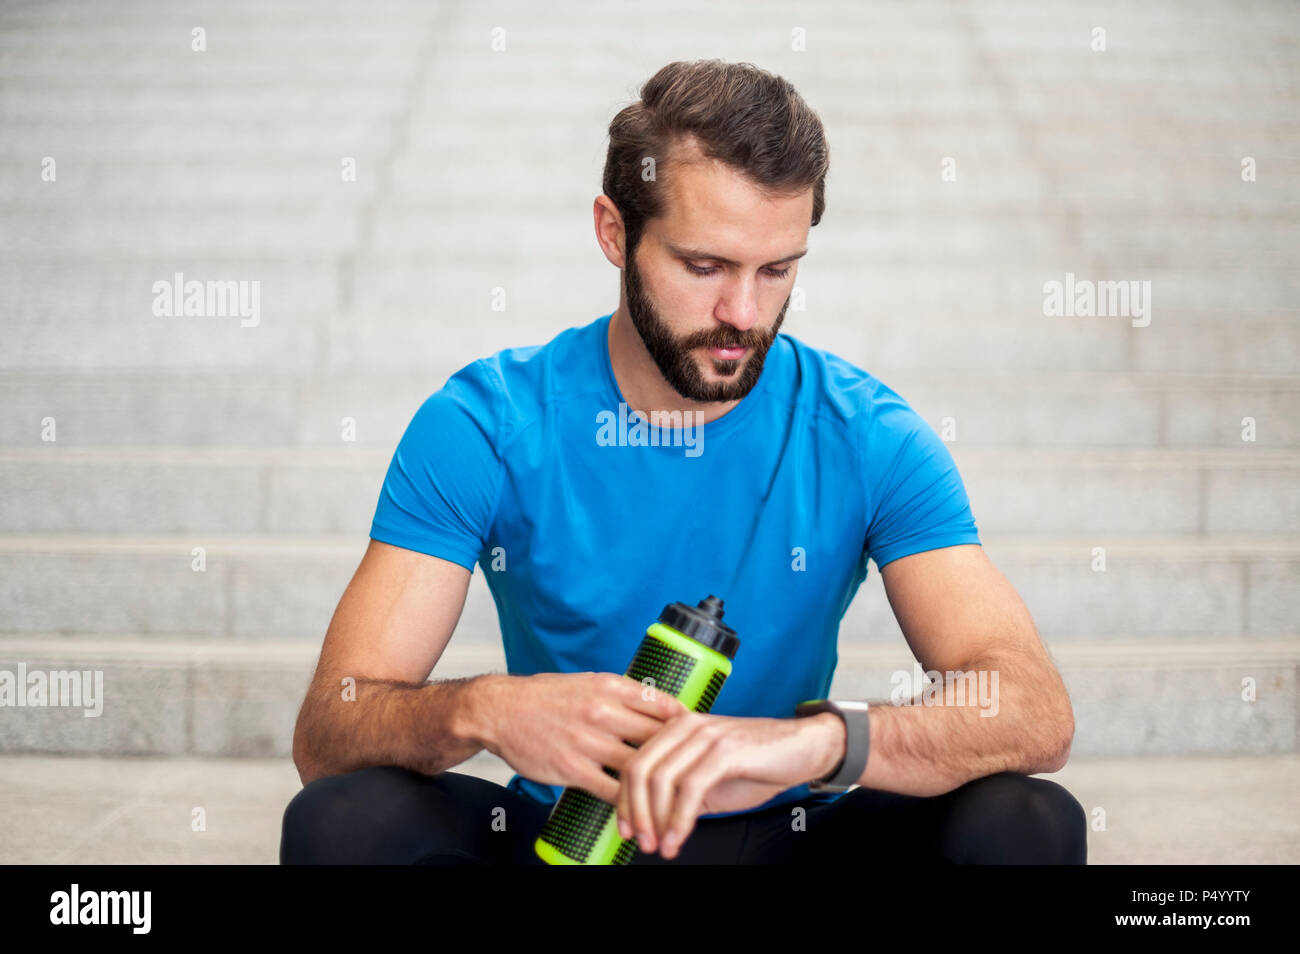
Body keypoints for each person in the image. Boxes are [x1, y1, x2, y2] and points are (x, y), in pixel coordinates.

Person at [281, 59, 1086, 865]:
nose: (742, 313)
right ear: (614, 231)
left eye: (777, 270)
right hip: (572, 837)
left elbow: (1033, 712)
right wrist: (484, 710)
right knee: (345, 822)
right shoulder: (486, 424)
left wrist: (811, 743)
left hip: (785, 833)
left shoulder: (867, 434)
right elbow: (331, 729)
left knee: (1026, 819)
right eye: (703, 267)